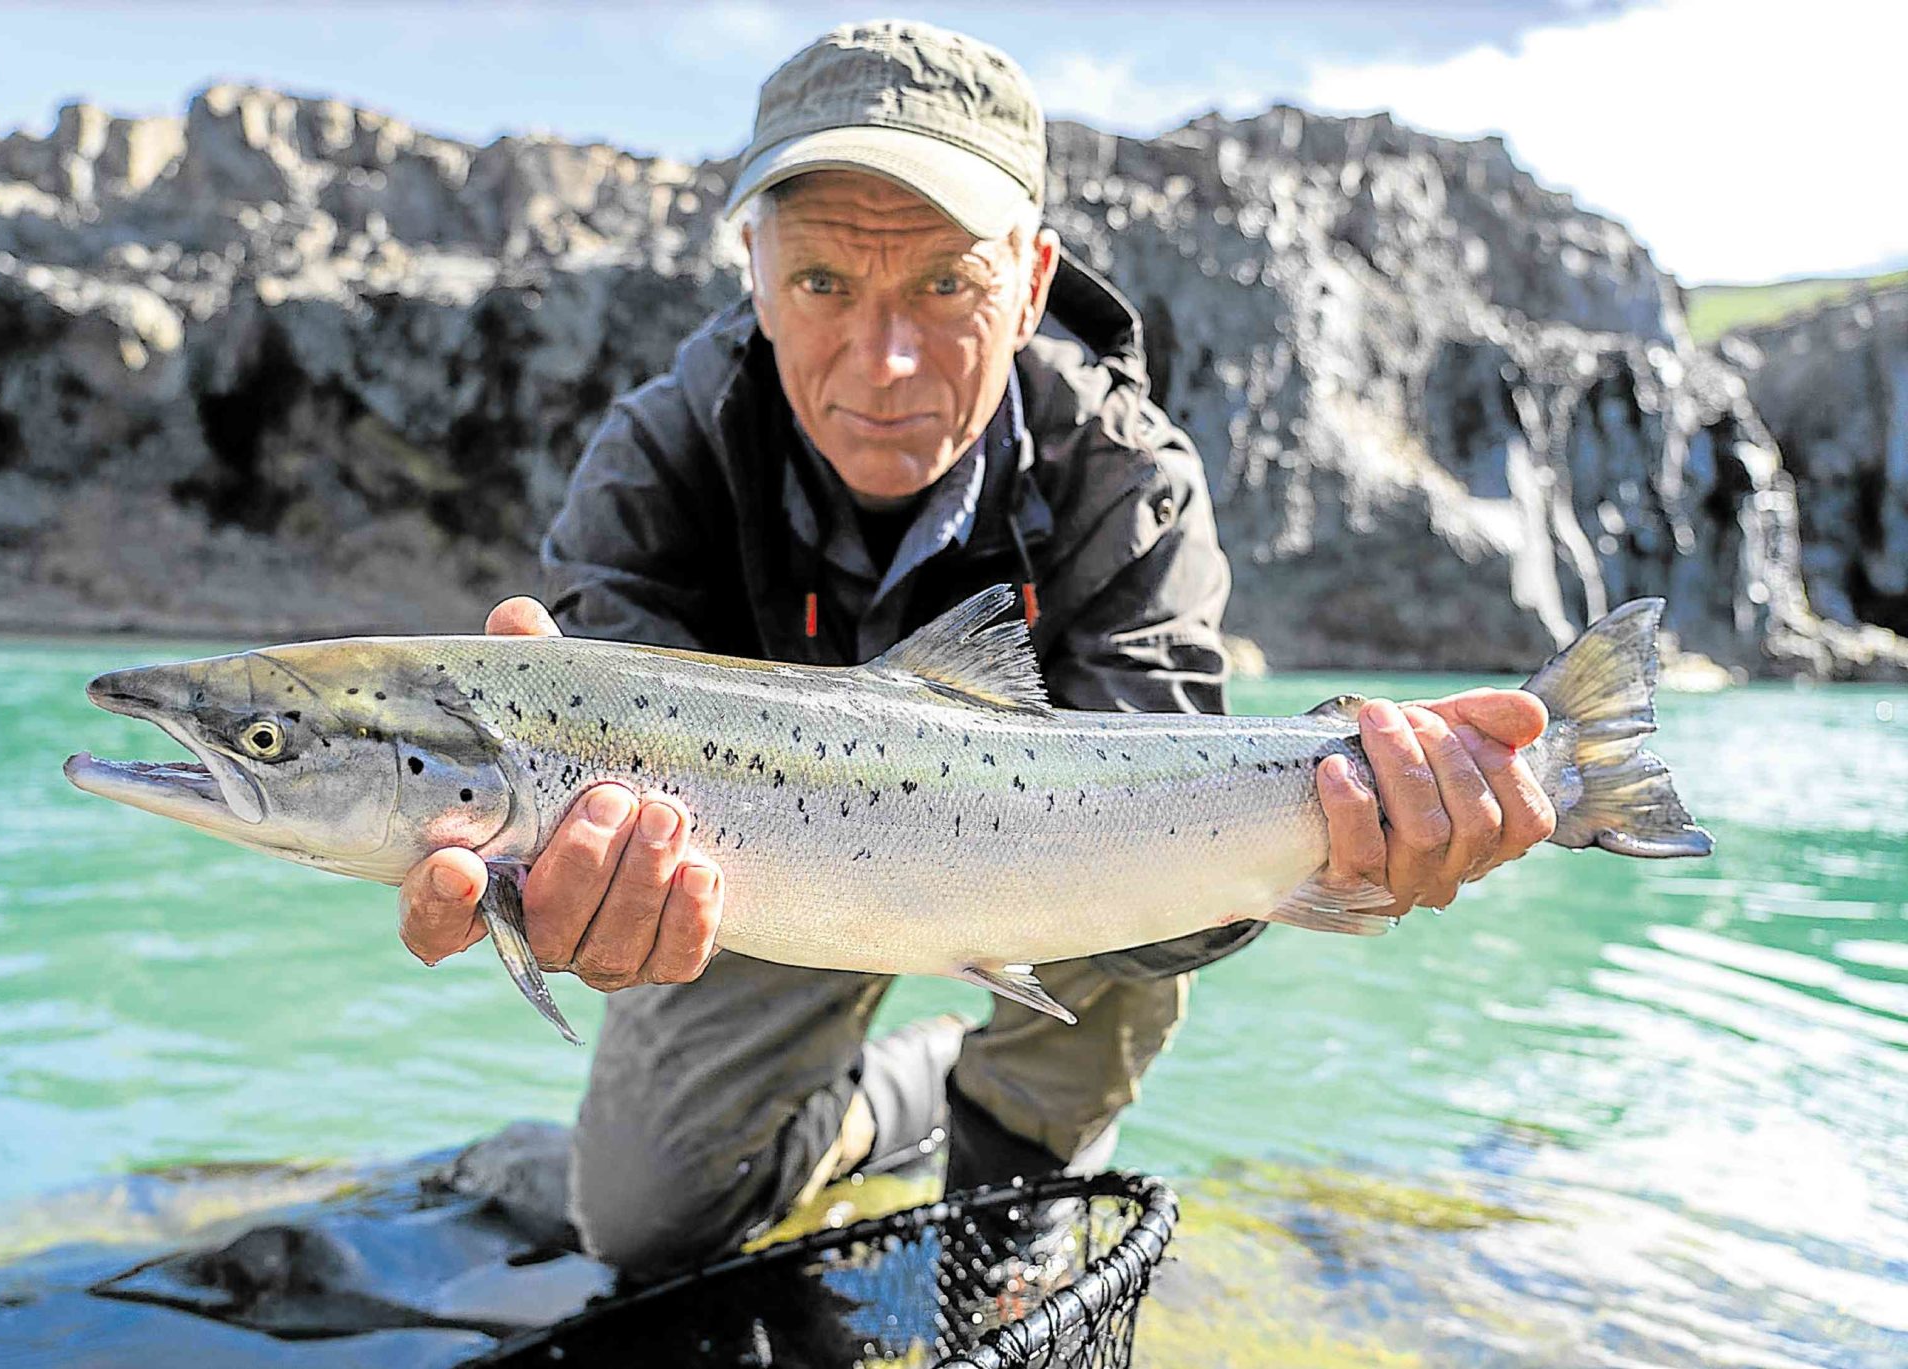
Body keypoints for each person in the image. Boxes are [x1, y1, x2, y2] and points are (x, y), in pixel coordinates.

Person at [393, 19, 1557, 1277]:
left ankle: (1009, 1146)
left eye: (943, 285)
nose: (881, 362)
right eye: (822, 284)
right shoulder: (655, 459)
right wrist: (556, 878)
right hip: (759, 904)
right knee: (643, 1225)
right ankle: (892, 1102)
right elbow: (600, 819)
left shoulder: (1127, 478)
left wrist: (1352, 841)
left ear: (1031, 281)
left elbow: (1193, 835)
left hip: (1068, 900)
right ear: (753, 267)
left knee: (1128, 942)